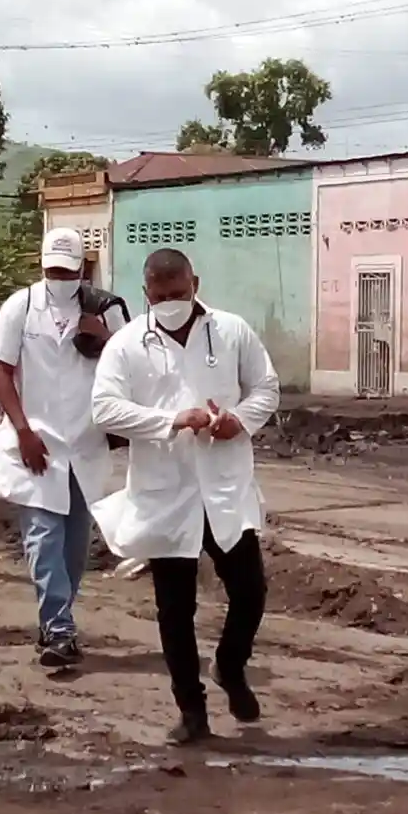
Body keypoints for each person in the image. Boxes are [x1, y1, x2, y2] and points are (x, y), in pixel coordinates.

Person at [91, 248, 281, 745]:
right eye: (161, 296)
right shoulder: (127, 344)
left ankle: (230, 666)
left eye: (179, 293)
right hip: (165, 491)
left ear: (195, 282)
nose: (171, 303)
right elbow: (105, 409)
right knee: (175, 611)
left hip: (223, 484)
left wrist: (239, 420)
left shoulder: (232, 330)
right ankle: (191, 711)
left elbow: (265, 387)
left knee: (250, 592)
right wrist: (170, 421)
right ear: (145, 294)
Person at [0, 227, 131, 668]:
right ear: (41, 265)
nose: (58, 277)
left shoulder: (107, 309)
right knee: (43, 536)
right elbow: (1, 371)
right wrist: (23, 431)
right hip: (38, 442)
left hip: (86, 442)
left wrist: (103, 336)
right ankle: (61, 629)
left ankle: (56, 618)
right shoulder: (21, 306)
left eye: (66, 270)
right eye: (51, 269)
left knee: (74, 545)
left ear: (82, 268)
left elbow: (135, 366)